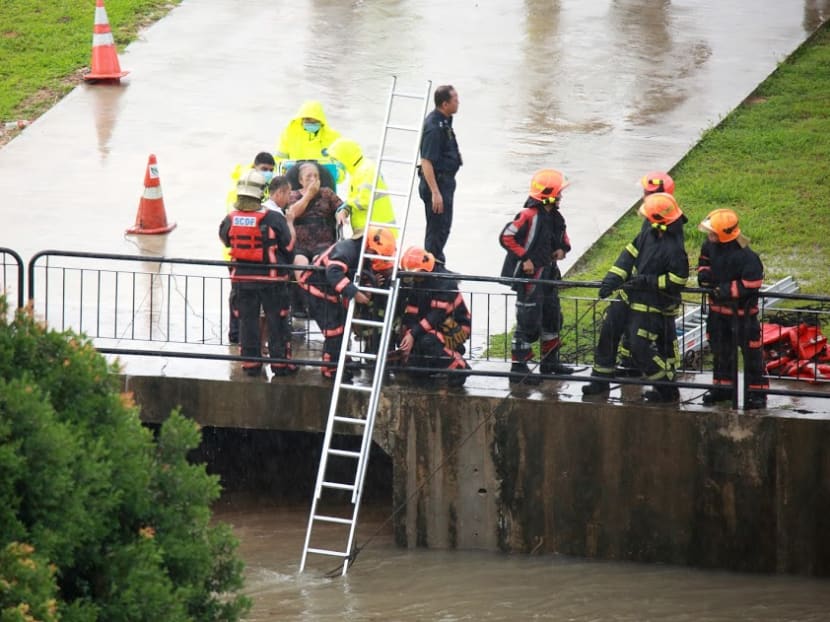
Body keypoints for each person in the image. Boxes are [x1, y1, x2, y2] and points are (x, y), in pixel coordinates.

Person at [582, 192, 688, 402]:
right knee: (608, 330)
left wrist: (648, 281)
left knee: (639, 346)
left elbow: (678, 280)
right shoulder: (647, 233)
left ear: (659, 220)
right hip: (628, 294)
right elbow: (628, 256)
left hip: (650, 303)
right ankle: (600, 380)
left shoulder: (675, 248)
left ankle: (666, 386)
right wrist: (611, 280)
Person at [499, 169, 574, 385]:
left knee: (552, 318)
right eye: (559, 193)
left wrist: (562, 250)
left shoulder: (556, 218)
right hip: (531, 278)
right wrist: (525, 259)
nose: (561, 197)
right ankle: (519, 367)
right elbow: (507, 236)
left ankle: (550, 363)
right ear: (549, 195)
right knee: (527, 321)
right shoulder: (528, 216)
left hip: (549, 275)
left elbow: (563, 239)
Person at [219, 172, 296, 377]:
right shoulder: (274, 218)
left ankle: (251, 365)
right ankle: (280, 365)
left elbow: (225, 240)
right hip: (272, 281)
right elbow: (288, 247)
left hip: (242, 281)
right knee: (277, 322)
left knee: (248, 323)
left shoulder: (230, 219)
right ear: (261, 194)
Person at [297, 227, 396, 382]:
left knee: (342, 328)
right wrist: (355, 294)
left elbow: (361, 275)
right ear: (370, 246)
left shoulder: (363, 254)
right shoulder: (347, 250)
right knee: (334, 331)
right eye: (377, 254)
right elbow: (333, 272)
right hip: (316, 290)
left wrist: (368, 289)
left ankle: (341, 359)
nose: (377, 258)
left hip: (331, 293)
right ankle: (331, 368)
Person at [697, 209, 768, 409]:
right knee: (721, 352)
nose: (709, 235)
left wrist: (725, 290)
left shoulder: (747, 256)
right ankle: (722, 389)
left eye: (713, 232)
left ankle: (757, 393)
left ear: (724, 234)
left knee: (752, 355)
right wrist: (704, 276)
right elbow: (704, 264)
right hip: (718, 315)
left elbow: (752, 282)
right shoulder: (709, 246)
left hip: (743, 317)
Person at [616, 171, 678, 374]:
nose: (643, 195)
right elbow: (637, 250)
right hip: (641, 291)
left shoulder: (667, 225)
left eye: (647, 192)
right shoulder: (653, 219)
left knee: (655, 339)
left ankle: (665, 379)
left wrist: (646, 281)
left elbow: (674, 274)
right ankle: (630, 365)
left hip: (656, 298)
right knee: (632, 332)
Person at [397, 246, 472, 387]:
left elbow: (436, 315)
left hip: (457, 328)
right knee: (415, 370)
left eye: (413, 274)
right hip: (435, 326)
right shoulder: (419, 282)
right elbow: (412, 311)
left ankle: (459, 365)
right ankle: (437, 362)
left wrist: (413, 334)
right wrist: (408, 335)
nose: (410, 278)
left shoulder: (445, 283)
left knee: (427, 340)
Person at [223, 152, 276, 344]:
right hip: (237, 254)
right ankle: (237, 334)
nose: (268, 173)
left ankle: (253, 338)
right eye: (264, 170)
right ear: (255, 168)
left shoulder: (263, 188)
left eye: (271, 170)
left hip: (256, 254)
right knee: (238, 296)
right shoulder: (240, 191)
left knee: (251, 298)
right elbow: (231, 224)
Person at [419, 85, 462, 264]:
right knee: (437, 229)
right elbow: (426, 161)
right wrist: (435, 192)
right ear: (445, 104)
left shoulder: (445, 120)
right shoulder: (434, 127)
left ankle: (436, 262)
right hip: (437, 184)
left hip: (445, 183)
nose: (458, 102)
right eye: (455, 100)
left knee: (443, 227)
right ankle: (430, 268)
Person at [324, 138, 397, 237]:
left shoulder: (365, 172)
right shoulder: (358, 170)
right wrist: (345, 209)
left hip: (377, 233)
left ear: (346, 156)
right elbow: (357, 199)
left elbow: (364, 201)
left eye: (336, 159)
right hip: (372, 230)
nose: (335, 163)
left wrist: (344, 204)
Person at [274, 100, 341, 167]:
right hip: (295, 175)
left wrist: (335, 174)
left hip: (323, 176)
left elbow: (341, 165)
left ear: (321, 121)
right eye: (308, 120)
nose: (311, 123)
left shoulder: (334, 137)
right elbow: (279, 161)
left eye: (315, 121)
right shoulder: (288, 134)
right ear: (301, 119)